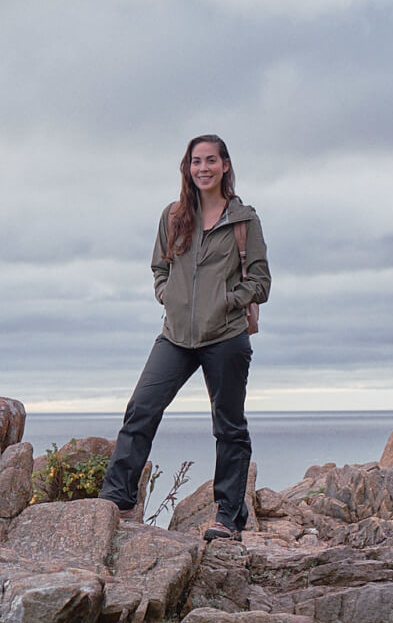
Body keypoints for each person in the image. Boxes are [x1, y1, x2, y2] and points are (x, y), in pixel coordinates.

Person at [99, 134, 270, 540]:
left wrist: (228, 302)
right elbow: (159, 268)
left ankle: (228, 516)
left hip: (225, 336)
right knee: (141, 409)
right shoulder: (174, 216)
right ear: (187, 167)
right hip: (175, 336)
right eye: (196, 161)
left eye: (211, 160)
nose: (203, 168)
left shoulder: (244, 220)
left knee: (228, 426)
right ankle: (115, 501)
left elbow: (261, 281)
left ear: (225, 165)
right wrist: (168, 295)